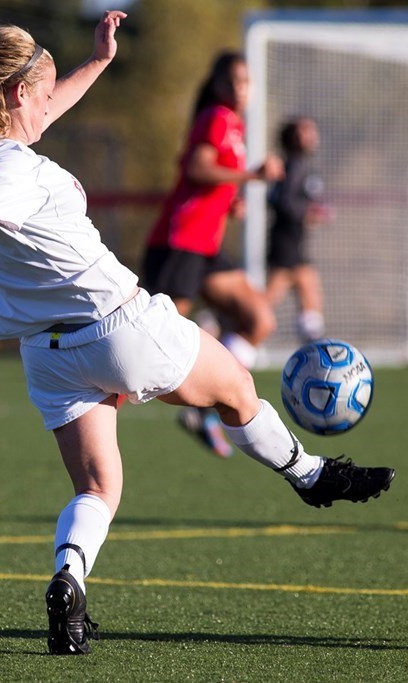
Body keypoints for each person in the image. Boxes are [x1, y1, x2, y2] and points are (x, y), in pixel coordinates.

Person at [0, 13, 395, 657]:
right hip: (121, 329)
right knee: (238, 390)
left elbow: (27, 136)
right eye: (45, 92)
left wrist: (99, 62)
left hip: (49, 356)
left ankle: (69, 579)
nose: (53, 103)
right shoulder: (10, 170)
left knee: (98, 489)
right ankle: (310, 475)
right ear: (20, 94)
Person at [141, 50, 282, 458]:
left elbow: (209, 177)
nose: (240, 89)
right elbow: (199, 169)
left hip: (205, 247)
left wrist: (230, 199)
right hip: (180, 242)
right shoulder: (216, 116)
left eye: (245, 81)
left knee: (259, 318)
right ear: (218, 85)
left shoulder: (232, 124)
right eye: (233, 81)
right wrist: (252, 177)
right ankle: (94, 403)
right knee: (154, 340)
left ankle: (207, 409)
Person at [266, 117, 332, 342]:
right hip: (286, 243)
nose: (313, 135)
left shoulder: (298, 164)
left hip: (294, 242)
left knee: (310, 293)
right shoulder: (295, 165)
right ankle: (224, 325)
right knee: (266, 302)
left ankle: (314, 348)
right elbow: (283, 202)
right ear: (295, 138)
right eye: (306, 131)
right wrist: (308, 212)